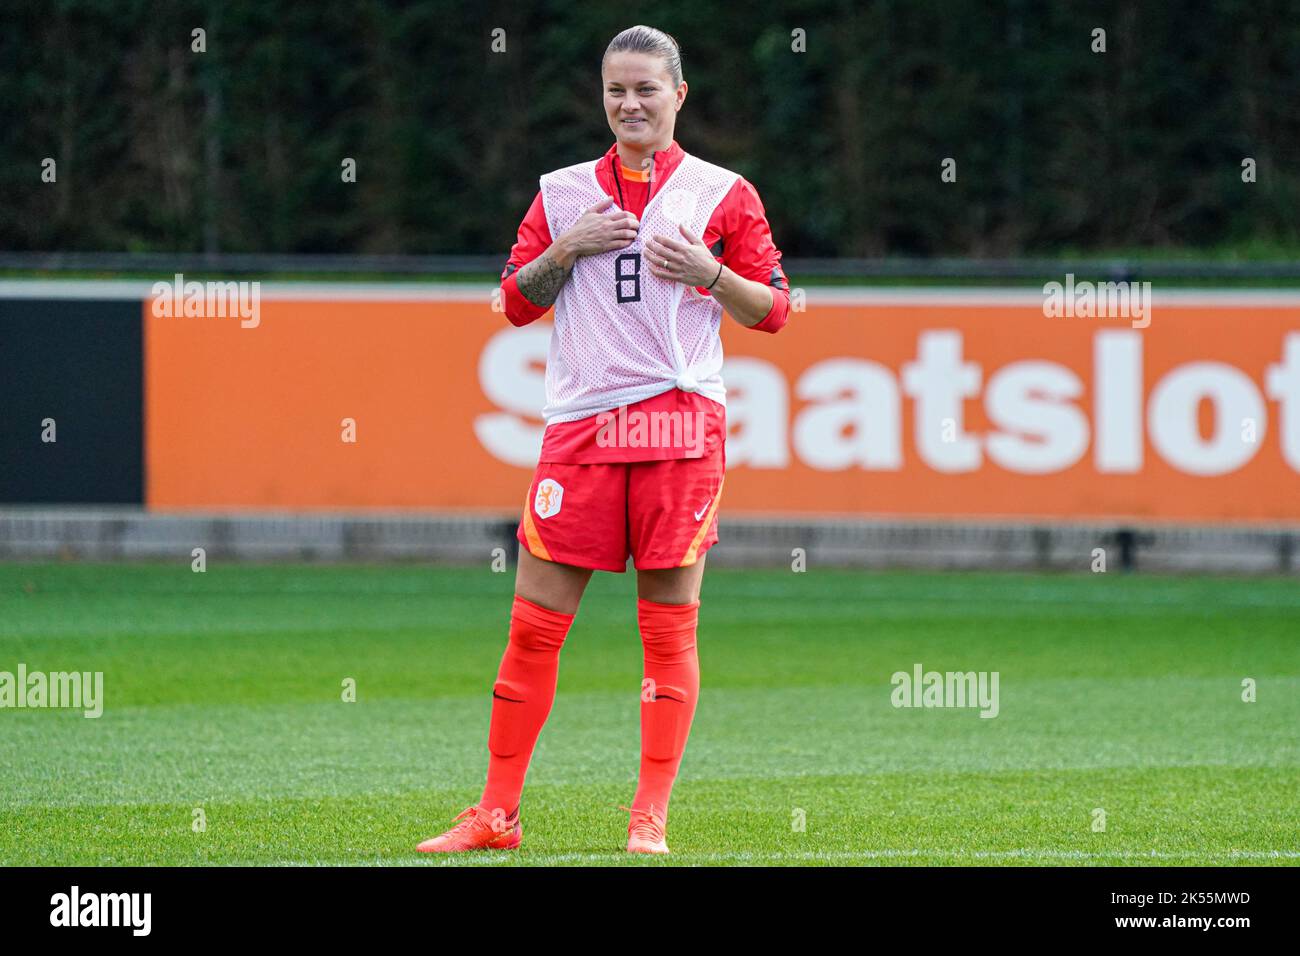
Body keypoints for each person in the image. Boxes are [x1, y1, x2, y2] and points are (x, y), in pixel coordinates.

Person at [418, 24, 790, 855]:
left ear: (678, 96)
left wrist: (709, 274)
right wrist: (568, 247)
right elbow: (515, 303)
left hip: (676, 426)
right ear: (602, 97)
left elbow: (775, 310)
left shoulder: (724, 193)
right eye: (616, 89)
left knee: (667, 628)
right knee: (532, 628)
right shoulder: (558, 193)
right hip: (581, 429)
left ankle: (648, 816)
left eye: (646, 89)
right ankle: (495, 816)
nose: (630, 103)